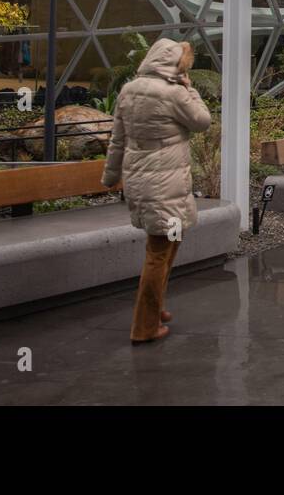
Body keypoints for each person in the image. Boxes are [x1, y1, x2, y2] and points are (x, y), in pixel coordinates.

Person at [102, 37, 212, 344]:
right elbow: (203, 121)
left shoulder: (129, 90)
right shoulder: (174, 93)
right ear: (175, 65)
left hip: (141, 182)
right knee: (159, 252)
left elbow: (117, 140)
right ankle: (144, 326)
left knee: (169, 244)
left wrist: (110, 176)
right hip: (165, 186)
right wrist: (189, 88)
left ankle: (157, 306)